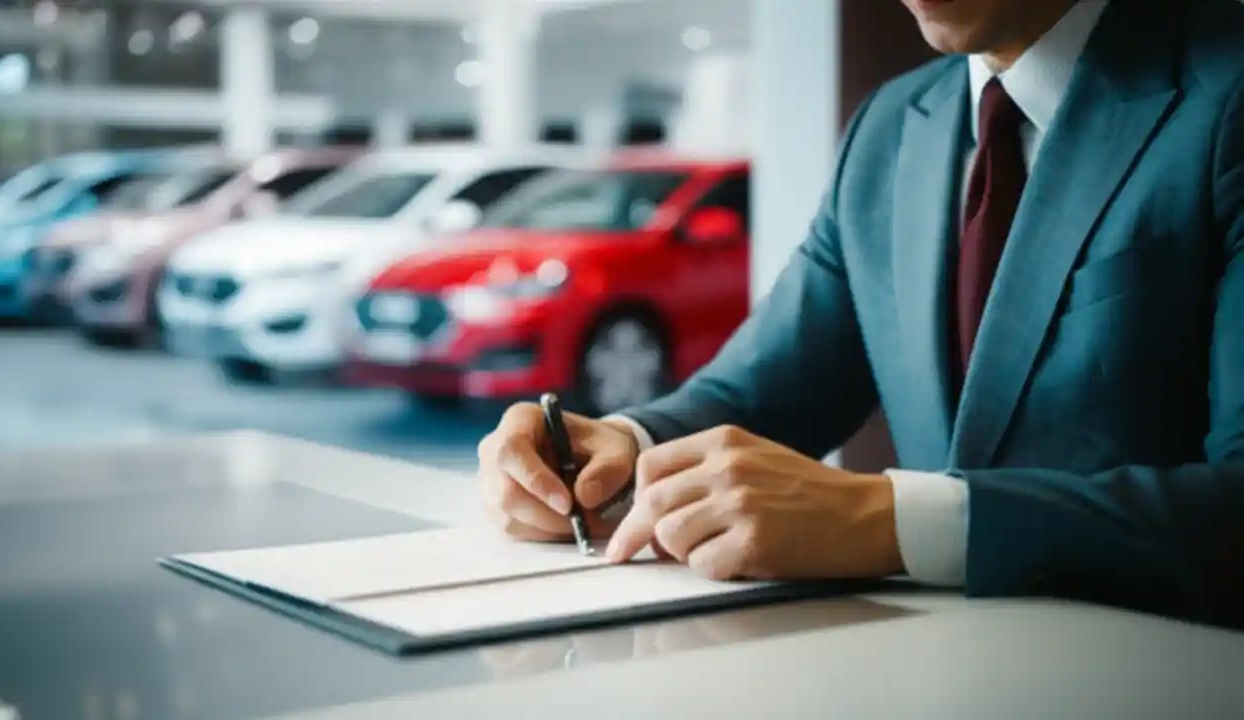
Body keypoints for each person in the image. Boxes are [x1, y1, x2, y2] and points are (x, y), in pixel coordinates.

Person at [477, 0, 1244, 626]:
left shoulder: (1228, 94)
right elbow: (762, 392)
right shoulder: (891, 126)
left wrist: (886, 521)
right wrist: (615, 448)